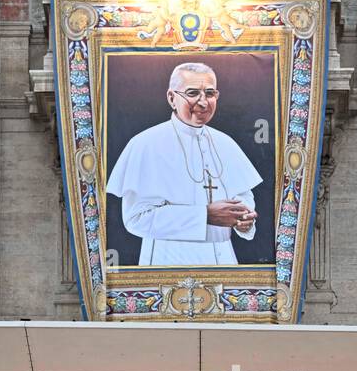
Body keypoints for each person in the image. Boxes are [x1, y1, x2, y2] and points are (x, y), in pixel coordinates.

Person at [106, 62, 263, 265]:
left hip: (224, 262)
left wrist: (244, 221)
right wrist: (204, 216)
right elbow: (135, 219)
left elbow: (243, 196)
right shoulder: (145, 144)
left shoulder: (226, 143)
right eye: (192, 93)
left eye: (209, 93)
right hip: (167, 261)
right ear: (172, 98)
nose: (203, 102)